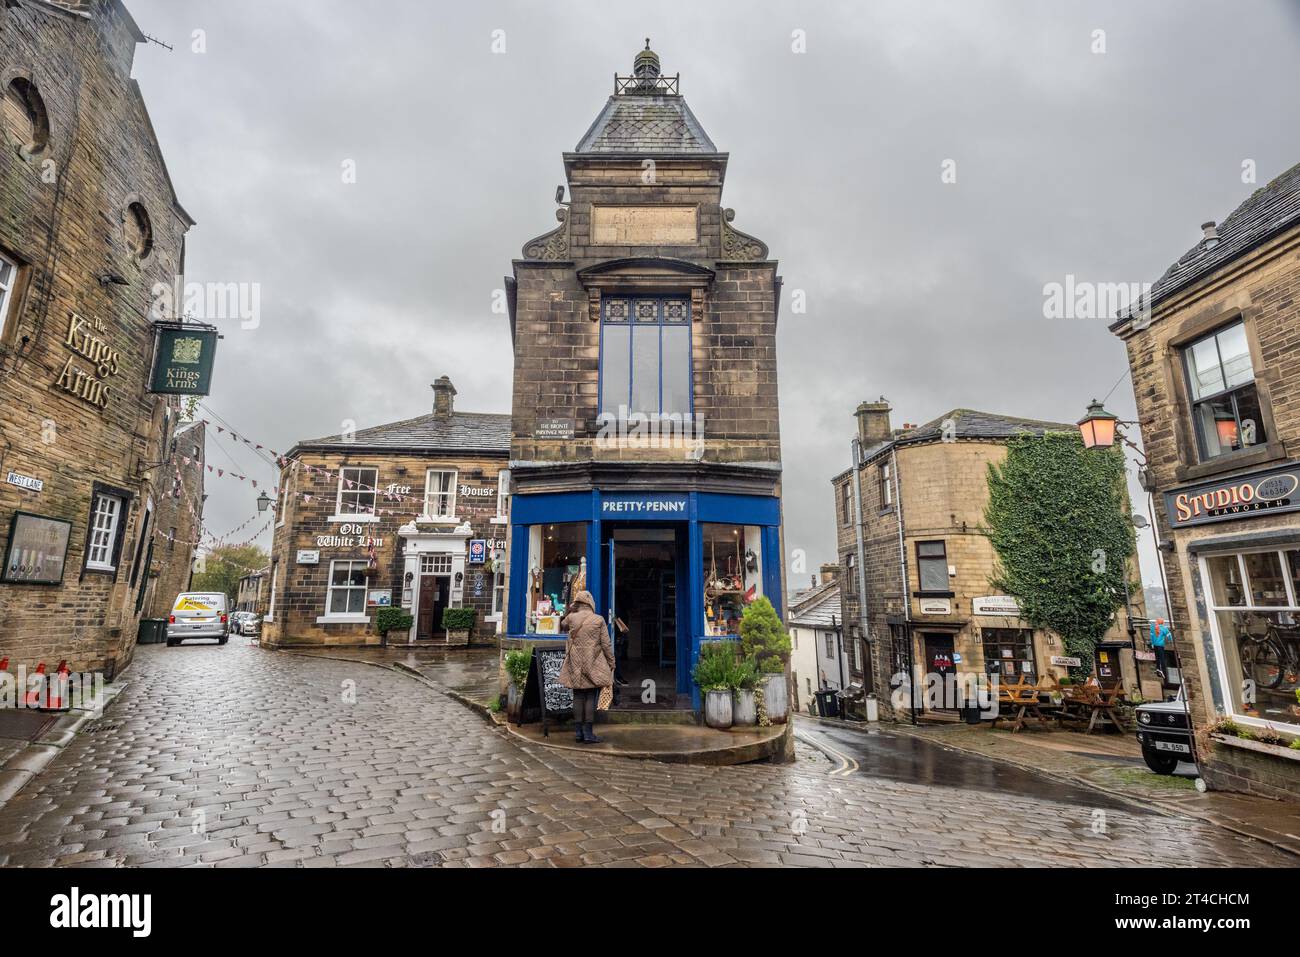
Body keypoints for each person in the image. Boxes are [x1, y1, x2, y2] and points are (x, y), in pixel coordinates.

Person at [558, 590, 614, 744]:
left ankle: (578, 733)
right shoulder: (598, 619)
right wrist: (611, 662)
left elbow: (562, 625)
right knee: (590, 696)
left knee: (577, 696)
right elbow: (606, 644)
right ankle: (588, 733)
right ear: (591, 603)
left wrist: (570, 610)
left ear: (578, 603)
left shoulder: (571, 618)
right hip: (592, 663)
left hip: (574, 663)